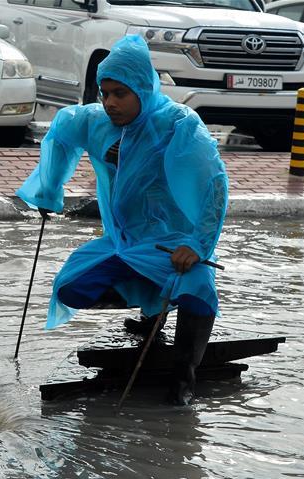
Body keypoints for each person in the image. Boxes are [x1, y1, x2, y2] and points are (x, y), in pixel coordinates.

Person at [16, 34, 229, 405]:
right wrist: (49, 190)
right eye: (105, 93)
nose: (110, 103)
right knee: (70, 288)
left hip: (173, 242)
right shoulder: (96, 122)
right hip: (123, 241)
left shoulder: (178, 124)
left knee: (199, 290)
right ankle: (152, 313)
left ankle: (182, 382)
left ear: (143, 90)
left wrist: (196, 245)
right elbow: (62, 131)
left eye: (120, 94)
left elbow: (214, 187)